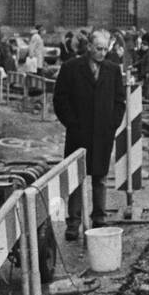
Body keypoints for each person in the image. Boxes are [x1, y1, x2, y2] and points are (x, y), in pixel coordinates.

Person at [53, 28, 125, 240]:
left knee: (100, 177)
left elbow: (119, 101)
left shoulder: (112, 70)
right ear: (90, 47)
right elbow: (60, 100)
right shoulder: (71, 68)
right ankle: (73, 223)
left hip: (103, 133)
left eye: (105, 49)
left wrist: (112, 124)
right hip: (79, 133)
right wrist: (72, 123)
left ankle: (99, 219)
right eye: (99, 49)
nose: (103, 53)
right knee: (76, 178)